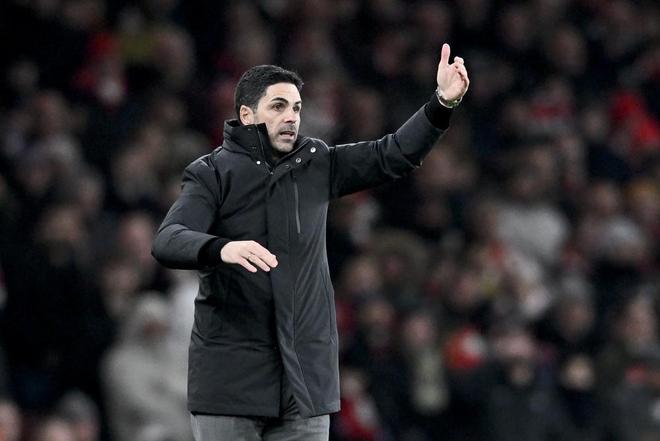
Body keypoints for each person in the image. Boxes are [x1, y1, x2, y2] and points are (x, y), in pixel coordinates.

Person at [151, 43, 469, 440]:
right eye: (278, 106)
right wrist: (222, 248)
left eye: (297, 108)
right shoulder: (211, 174)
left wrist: (442, 103)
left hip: (305, 383)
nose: (291, 117)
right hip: (231, 383)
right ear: (247, 115)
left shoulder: (316, 163)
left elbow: (393, 154)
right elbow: (168, 240)